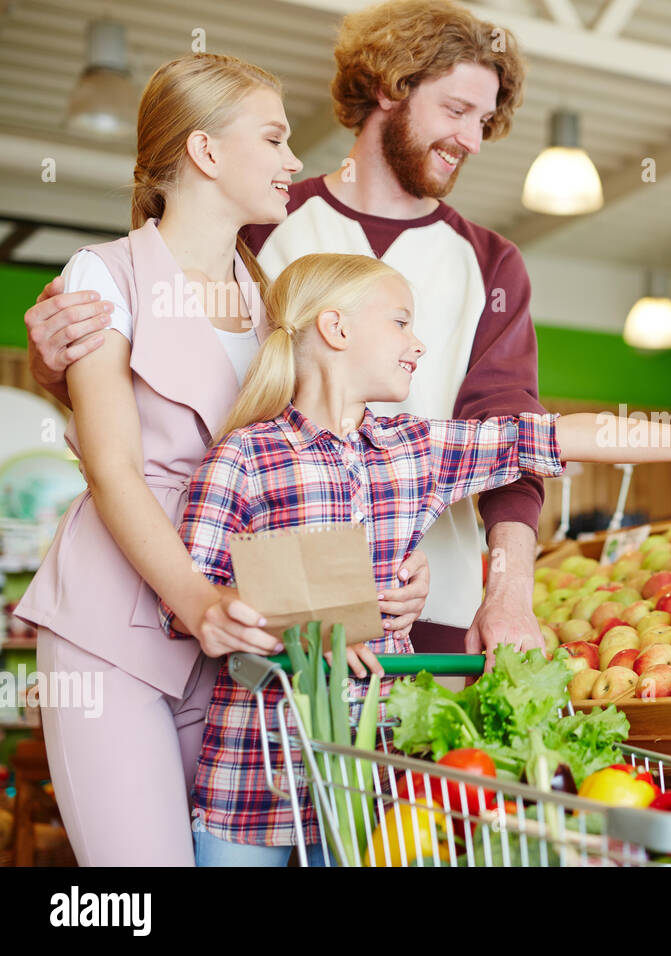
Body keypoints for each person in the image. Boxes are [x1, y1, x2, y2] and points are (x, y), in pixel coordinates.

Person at [166, 252, 671, 864]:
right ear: (336, 327)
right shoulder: (241, 459)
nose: (420, 343)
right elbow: (191, 608)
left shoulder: (413, 448)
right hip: (255, 782)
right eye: (401, 321)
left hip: (378, 786)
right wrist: (294, 629)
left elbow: (555, 435)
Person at [25, 0, 553, 669]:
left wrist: (507, 594)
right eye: (455, 111)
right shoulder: (258, 222)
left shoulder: (491, 263)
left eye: (484, 120)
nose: (473, 141)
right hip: (278, 606)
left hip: (437, 606)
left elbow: (513, 440)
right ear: (390, 88)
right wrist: (55, 368)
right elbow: (166, 385)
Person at [11, 54, 429, 867]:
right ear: (205, 152)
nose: (293, 160)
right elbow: (113, 470)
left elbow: (307, 468)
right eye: (273, 138)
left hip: (244, 636)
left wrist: (384, 575)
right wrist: (199, 601)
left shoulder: (274, 296)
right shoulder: (105, 275)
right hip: (120, 626)